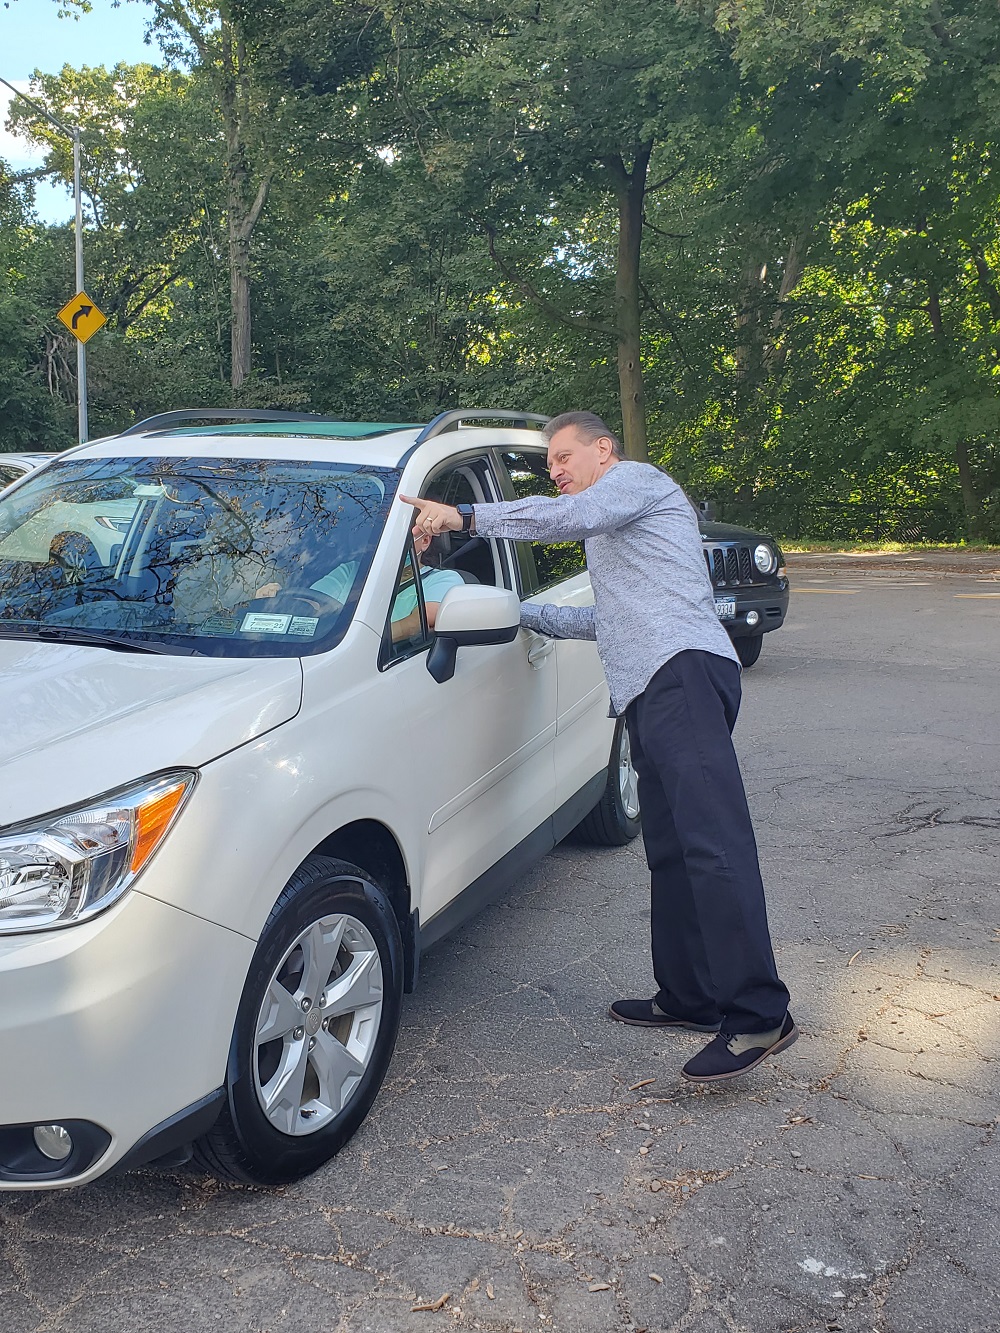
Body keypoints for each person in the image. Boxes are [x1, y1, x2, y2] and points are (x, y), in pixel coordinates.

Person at [400, 410, 795, 1083]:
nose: (555, 471)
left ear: (603, 450)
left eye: (562, 457)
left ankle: (759, 1012)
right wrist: (510, 610)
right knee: (672, 852)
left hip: (684, 673)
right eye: (551, 463)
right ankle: (689, 996)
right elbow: (601, 620)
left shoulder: (634, 484)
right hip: (650, 690)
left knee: (714, 842)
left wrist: (462, 515)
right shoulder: (615, 530)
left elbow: (556, 520)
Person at [255, 528, 464, 640]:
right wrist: (276, 605)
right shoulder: (350, 571)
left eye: (397, 534)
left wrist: (355, 645)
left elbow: (416, 623)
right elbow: (310, 609)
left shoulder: (444, 580)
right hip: (326, 658)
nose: (385, 540)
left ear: (425, 541)